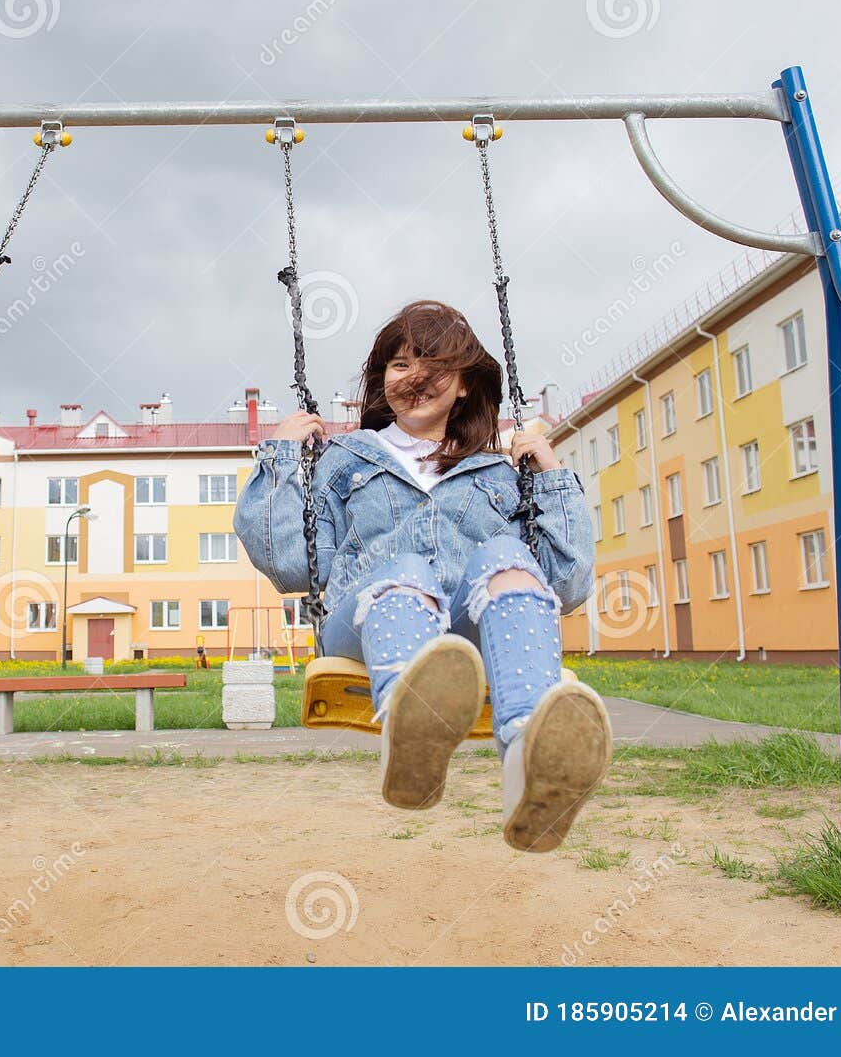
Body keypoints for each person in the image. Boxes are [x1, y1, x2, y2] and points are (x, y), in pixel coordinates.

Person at [234, 300, 609, 851]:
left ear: (463, 385)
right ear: (383, 380)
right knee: (406, 569)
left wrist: (550, 475)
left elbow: (566, 584)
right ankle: (408, 733)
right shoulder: (344, 460)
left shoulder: (499, 472)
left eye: (434, 363)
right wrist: (283, 455)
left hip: (465, 636)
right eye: (401, 363)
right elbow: (289, 563)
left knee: (508, 553)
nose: (415, 376)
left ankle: (529, 762)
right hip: (363, 629)